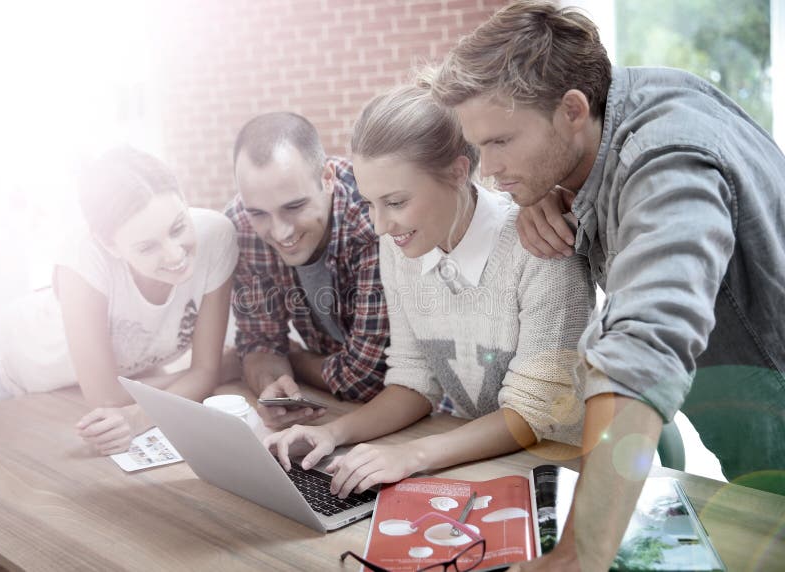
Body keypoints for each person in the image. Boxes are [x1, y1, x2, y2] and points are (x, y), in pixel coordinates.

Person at [431, 0, 785, 569]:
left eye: (500, 143)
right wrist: (550, 187)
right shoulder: (603, 117)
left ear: (572, 109)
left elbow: (646, 336)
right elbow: (591, 163)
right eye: (479, 147)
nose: (487, 169)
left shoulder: (668, 156)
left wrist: (578, 556)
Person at [263, 83, 593, 499]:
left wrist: (411, 456)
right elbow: (414, 379)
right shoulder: (401, 246)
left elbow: (534, 412)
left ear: (458, 172)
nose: (380, 225)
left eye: (396, 202)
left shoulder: (541, 247)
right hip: (493, 467)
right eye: (369, 203)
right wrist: (331, 433)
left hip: (569, 472)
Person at [0, 147, 239, 455]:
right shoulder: (82, 256)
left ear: (184, 200)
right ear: (109, 244)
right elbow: (107, 399)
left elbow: (205, 373)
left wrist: (143, 409)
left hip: (76, 392)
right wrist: (197, 376)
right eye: (147, 247)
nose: (175, 254)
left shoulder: (216, 236)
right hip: (5, 373)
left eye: (178, 227)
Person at [224, 112, 389, 429]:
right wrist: (272, 385)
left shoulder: (372, 221)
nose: (280, 232)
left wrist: (292, 359)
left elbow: (367, 379)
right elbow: (260, 343)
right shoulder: (242, 225)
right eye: (259, 212)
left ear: (328, 178)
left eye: (294, 207)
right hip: (337, 411)